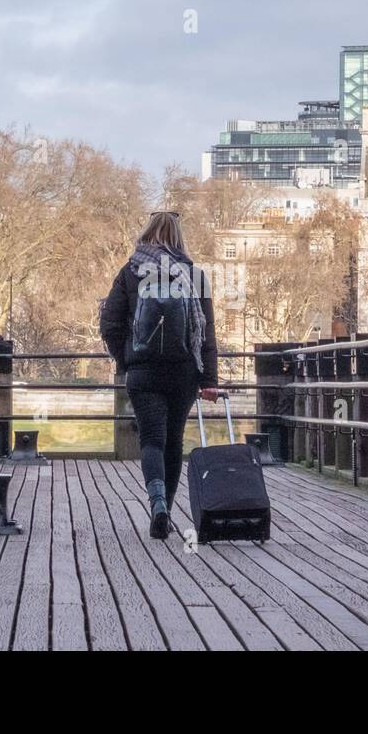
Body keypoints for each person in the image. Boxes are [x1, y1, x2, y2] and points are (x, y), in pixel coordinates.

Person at [99, 211, 219, 539]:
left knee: (151, 439)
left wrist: (126, 359)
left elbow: (109, 323)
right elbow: (206, 333)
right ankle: (167, 502)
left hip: (143, 371)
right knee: (174, 440)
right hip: (183, 372)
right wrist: (209, 379)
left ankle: (157, 505)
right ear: (179, 237)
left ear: (146, 233)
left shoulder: (131, 271)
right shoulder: (195, 275)